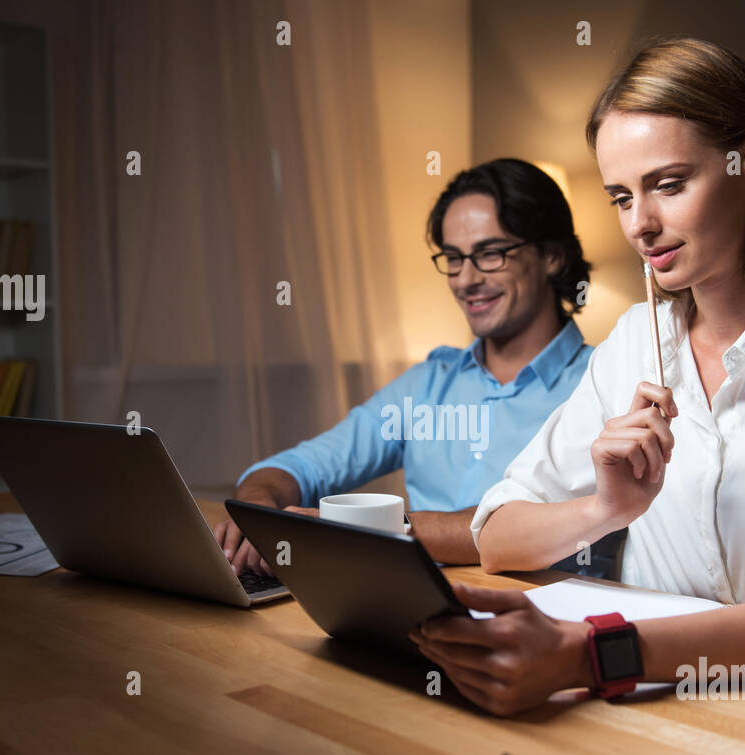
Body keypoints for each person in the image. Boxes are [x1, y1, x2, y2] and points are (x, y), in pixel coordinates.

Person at [415, 36, 745, 716]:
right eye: (621, 197)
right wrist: (604, 510)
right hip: (657, 718)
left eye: (668, 184)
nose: (641, 225)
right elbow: (498, 531)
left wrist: (589, 653)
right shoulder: (637, 338)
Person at [216, 159, 610, 574]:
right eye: (454, 258)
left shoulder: (601, 383)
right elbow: (297, 468)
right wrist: (259, 513)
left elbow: (522, 520)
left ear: (551, 256)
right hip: (416, 611)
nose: (465, 279)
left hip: (547, 619)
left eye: (490, 254)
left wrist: (358, 528)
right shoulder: (427, 386)